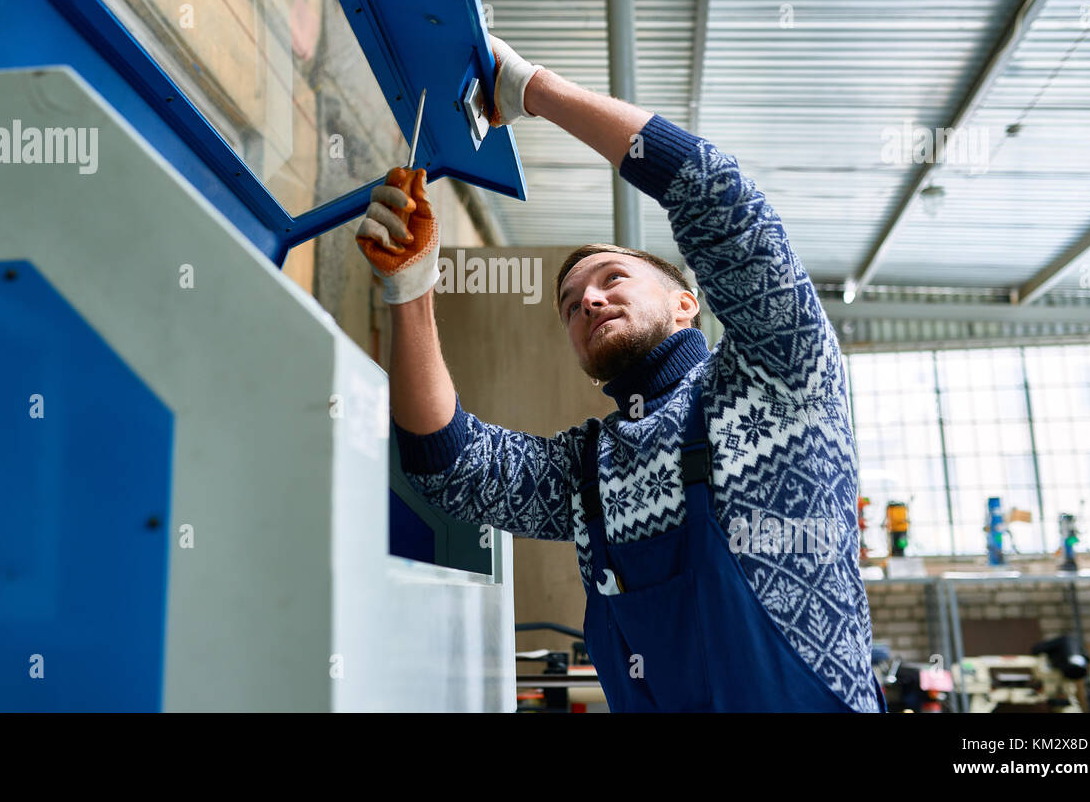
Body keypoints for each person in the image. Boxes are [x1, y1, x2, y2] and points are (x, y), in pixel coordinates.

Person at [356, 36, 887, 713]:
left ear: (685, 303)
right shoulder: (590, 472)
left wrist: (532, 89)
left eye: (612, 279)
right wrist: (411, 289)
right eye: (572, 305)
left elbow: (717, 198)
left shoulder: (777, 378)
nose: (590, 302)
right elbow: (451, 467)